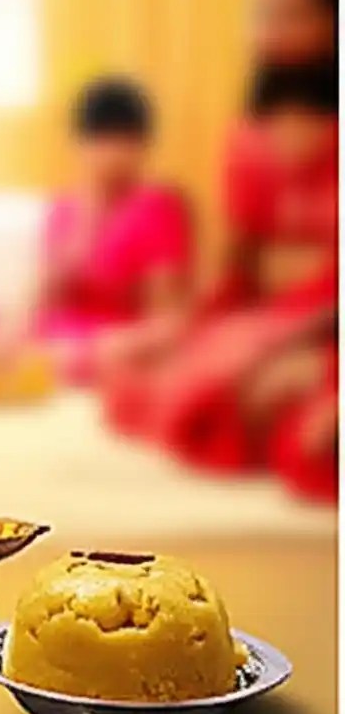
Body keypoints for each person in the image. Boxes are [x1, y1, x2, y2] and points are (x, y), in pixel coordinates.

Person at [105, 63, 337, 502]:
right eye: (276, 125)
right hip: (276, 315)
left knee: (242, 364)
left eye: (306, 121)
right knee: (193, 360)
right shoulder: (260, 171)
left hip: (318, 320)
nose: (290, 136)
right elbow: (240, 271)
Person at [0, 77, 191, 385]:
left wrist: (96, 348)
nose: (113, 153)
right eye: (100, 140)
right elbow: (43, 294)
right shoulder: (65, 207)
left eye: (125, 141)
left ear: (143, 146)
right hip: (63, 329)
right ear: (80, 144)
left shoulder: (156, 208)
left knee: (70, 355)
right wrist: (14, 329)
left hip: (119, 335)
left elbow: (166, 320)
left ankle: (54, 360)